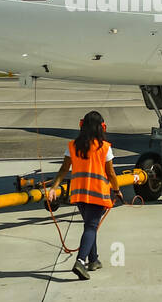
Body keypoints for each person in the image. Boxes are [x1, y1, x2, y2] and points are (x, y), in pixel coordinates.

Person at [46, 111, 121, 280]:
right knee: (91, 227)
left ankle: (93, 260)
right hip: (97, 194)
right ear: (101, 127)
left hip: (79, 194)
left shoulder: (72, 145)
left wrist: (53, 188)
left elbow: (64, 169)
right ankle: (80, 261)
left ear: (82, 126)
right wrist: (117, 190)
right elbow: (111, 174)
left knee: (89, 225)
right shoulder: (105, 147)